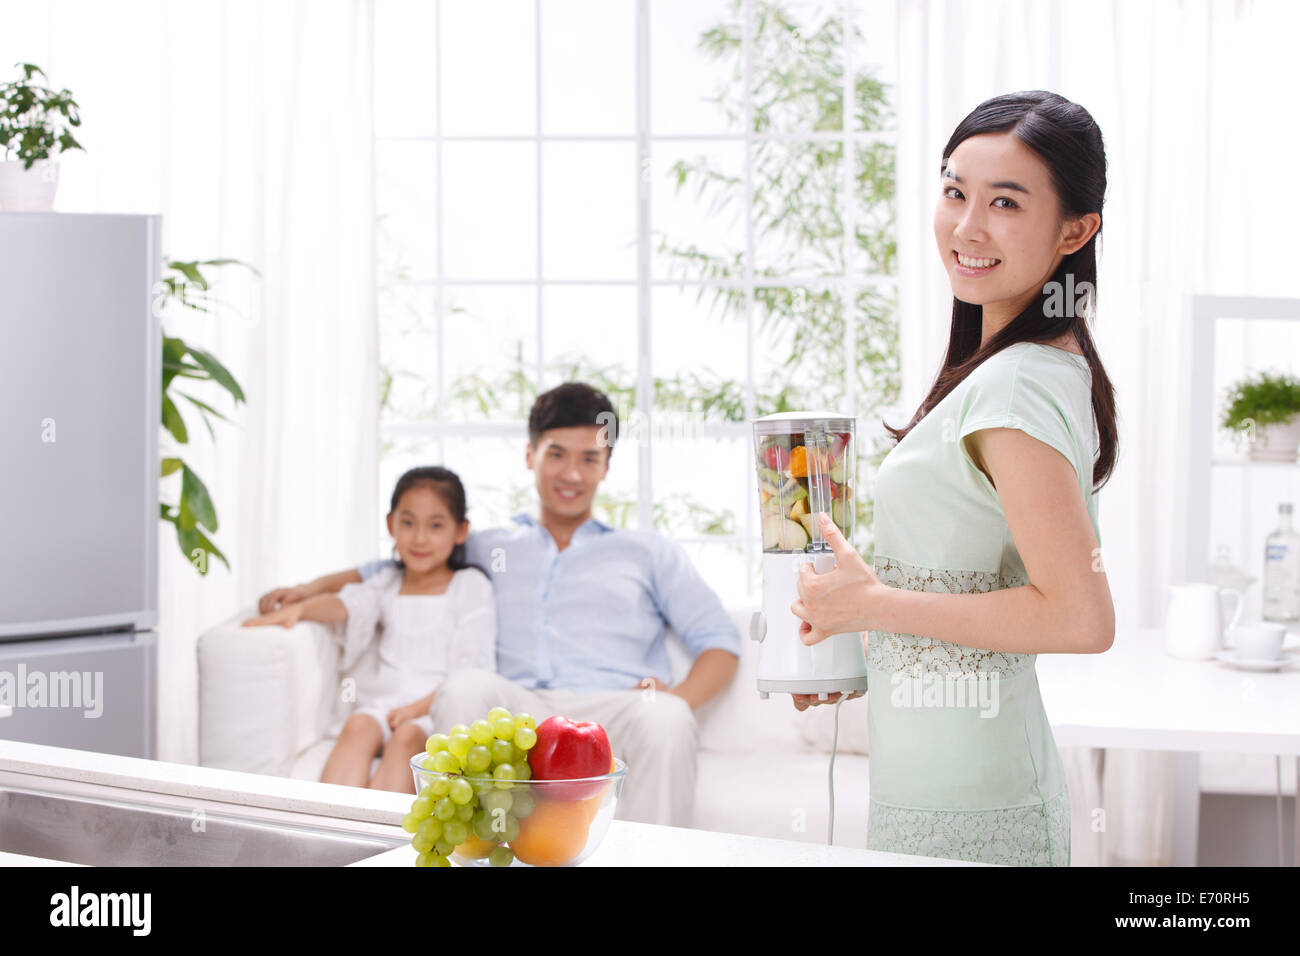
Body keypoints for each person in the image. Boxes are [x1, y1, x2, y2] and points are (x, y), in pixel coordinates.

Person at [790, 91, 1118, 867]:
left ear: (1076, 230)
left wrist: (872, 605)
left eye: (1005, 202)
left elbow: (1079, 618)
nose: (967, 227)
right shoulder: (1010, 371)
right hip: (934, 788)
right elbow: (974, 591)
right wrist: (857, 642)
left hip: (981, 804)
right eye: (954, 191)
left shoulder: (1018, 385)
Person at [257, 383, 741, 827]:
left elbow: (719, 642)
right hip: (514, 709)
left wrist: (677, 696)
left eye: (589, 458)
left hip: (612, 707)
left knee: (668, 716)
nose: (572, 473)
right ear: (530, 456)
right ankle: (476, 851)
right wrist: (305, 590)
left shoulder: (648, 552)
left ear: (607, 466)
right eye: (556, 454)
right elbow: (390, 567)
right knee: (464, 686)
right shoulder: (491, 544)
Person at [243, 466, 496, 795]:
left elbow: (471, 670)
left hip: (434, 711)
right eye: (408, 523)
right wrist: (301, 608)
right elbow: (348, 604)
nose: (419, 538)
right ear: (390, 524)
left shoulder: (469, 586)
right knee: (358, 724)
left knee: (407, 738)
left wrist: (414, 711)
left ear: (460, 531)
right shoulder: (388, 581)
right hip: (384, 704)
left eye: (435, 525)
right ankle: (326, 828)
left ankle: (376, 840)